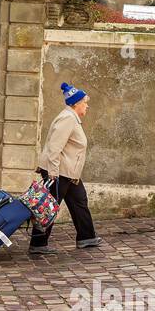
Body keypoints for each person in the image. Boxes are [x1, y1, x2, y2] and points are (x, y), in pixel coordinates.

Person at [30, 82, 101, 255]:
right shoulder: (68, 118)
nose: (87, 105)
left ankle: (86, 236)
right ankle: (38, 244)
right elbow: (55, 147)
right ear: (76, 104)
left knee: (79, 201)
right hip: (59, 172)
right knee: (48, 207)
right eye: (85, 102)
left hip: (69, 173)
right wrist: (53, 174)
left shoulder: (72, 118)